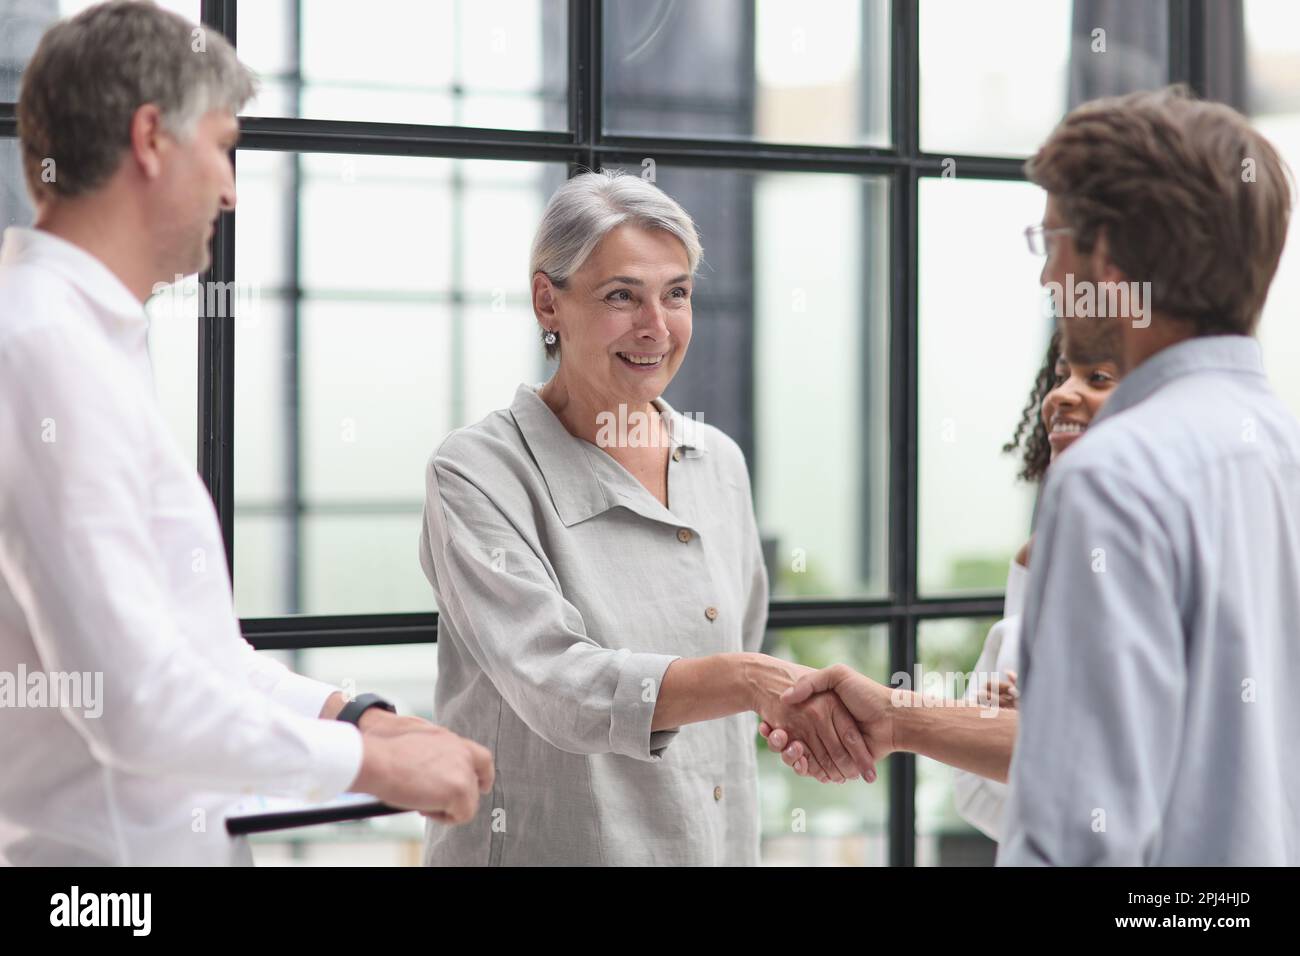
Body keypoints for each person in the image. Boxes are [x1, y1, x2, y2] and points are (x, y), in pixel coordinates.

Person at [0, 0, 492, 866]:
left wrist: (356, 716)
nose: (231, 187)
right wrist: (372, 765)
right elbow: (135, 700)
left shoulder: (87, 339)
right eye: (224, 147)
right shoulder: (45, 348)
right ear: (151, 139)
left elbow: (194, 655)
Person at [768, 86, 1300, 866]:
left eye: (1049, 240)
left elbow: (1076, 827)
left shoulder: (1119, 473)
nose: (1047, 274)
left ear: (1108, 259)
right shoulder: (1277, 451)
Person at [417, 169, 873, 866]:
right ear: (548, 302)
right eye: (621, 296)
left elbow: (730, 674)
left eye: (677, 294)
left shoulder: (717, 461)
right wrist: (755, 681)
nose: (656, 328)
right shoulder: (476, 472)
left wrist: (782, 705)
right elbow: (559, 686)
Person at [950, 328, 1120, 840]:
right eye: (1062, 373)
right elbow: (976, 797)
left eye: (1097, 377)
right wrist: (998, 731)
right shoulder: (1041, 555)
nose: (1061, 394)